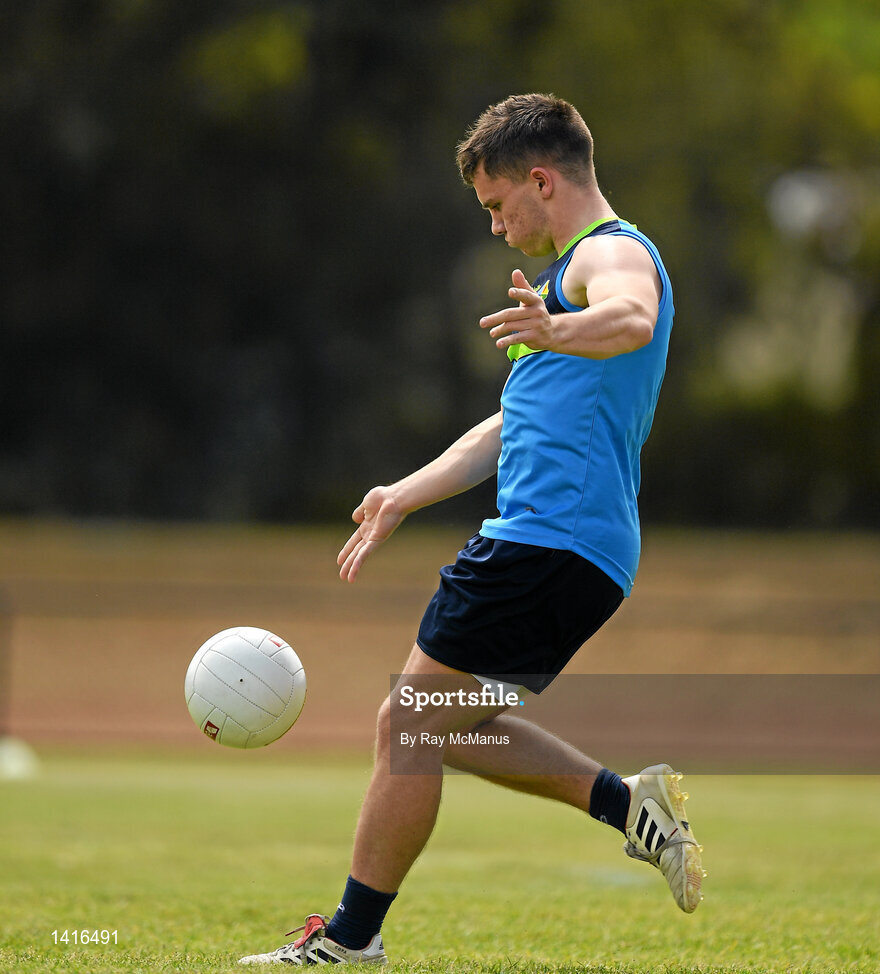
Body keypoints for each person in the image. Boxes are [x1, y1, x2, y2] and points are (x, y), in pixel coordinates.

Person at [239, 93, 703, 967]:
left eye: (497, 204)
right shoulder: (563, 292)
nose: (494, 225)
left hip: (547, 542)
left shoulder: (608, 254)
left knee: (408, 727)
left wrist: (558, 326)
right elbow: (506, 428)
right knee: (432, 724)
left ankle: (351, 940)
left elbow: (634, 314)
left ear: (542, 180)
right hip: (572, 550)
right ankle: (628, 804)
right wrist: (403, 495)